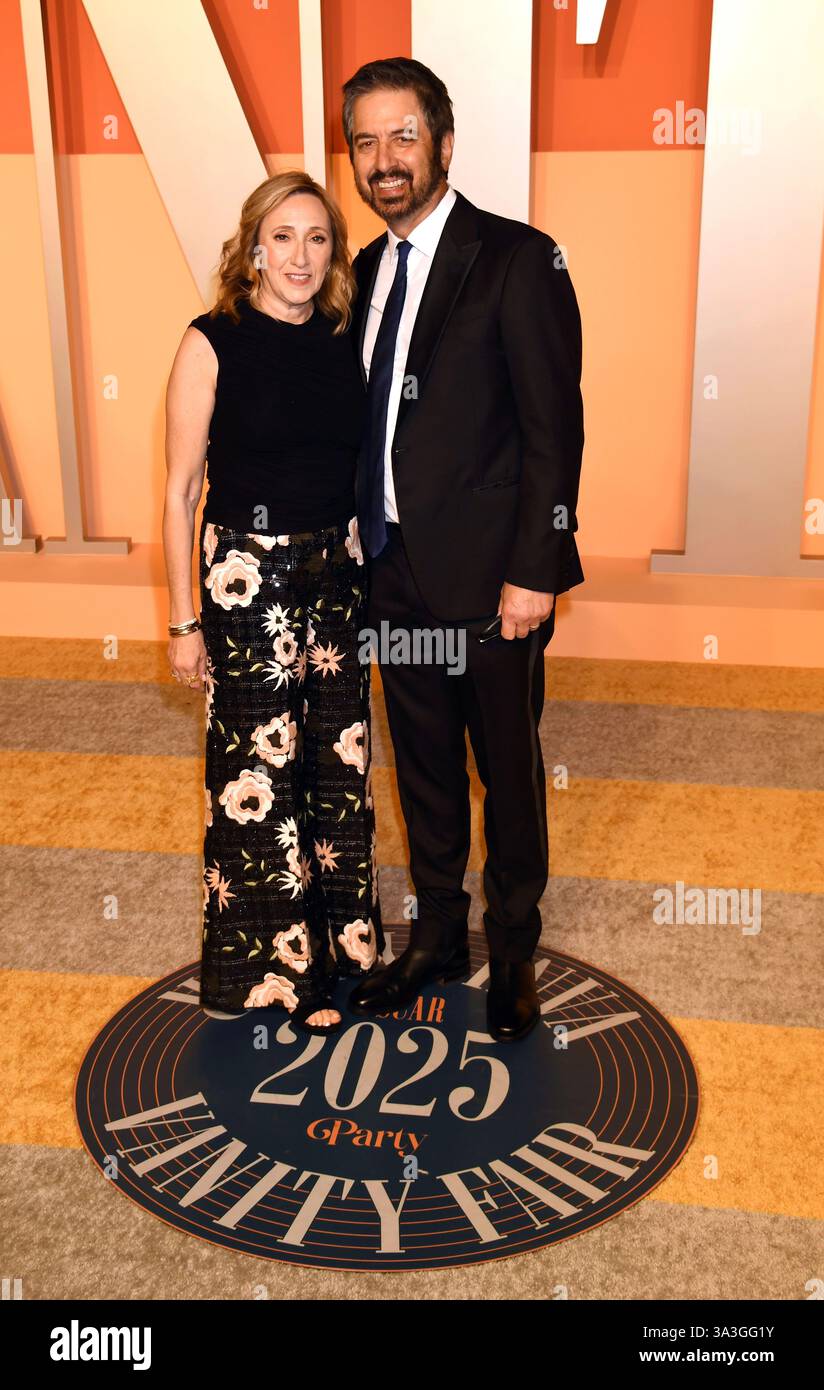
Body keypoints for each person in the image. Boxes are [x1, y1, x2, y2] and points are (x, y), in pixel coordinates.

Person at [342, 58, 585, 1041]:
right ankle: (438, 931)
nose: (384, 158)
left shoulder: (516, 259)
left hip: (493, 581)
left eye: (403, 136)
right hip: (393, 574)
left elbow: (552, 427)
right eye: (365, 141)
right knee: (423, 764)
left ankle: (514, 944)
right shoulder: (363, 273)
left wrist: (536, 567)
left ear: (442, 144)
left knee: (507, 766)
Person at [162, 170, 383, 1035]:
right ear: (253, 246)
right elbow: (181, 490)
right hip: (243, 582)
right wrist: (183, 622)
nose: (300, 254)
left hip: (336, 578)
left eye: (318, 237)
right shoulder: (210, 341)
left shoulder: (341, 336)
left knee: (338, 770)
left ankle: (343, 955)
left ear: (333, 253)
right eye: (283, 236)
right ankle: (272, 973)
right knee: (257, 775)